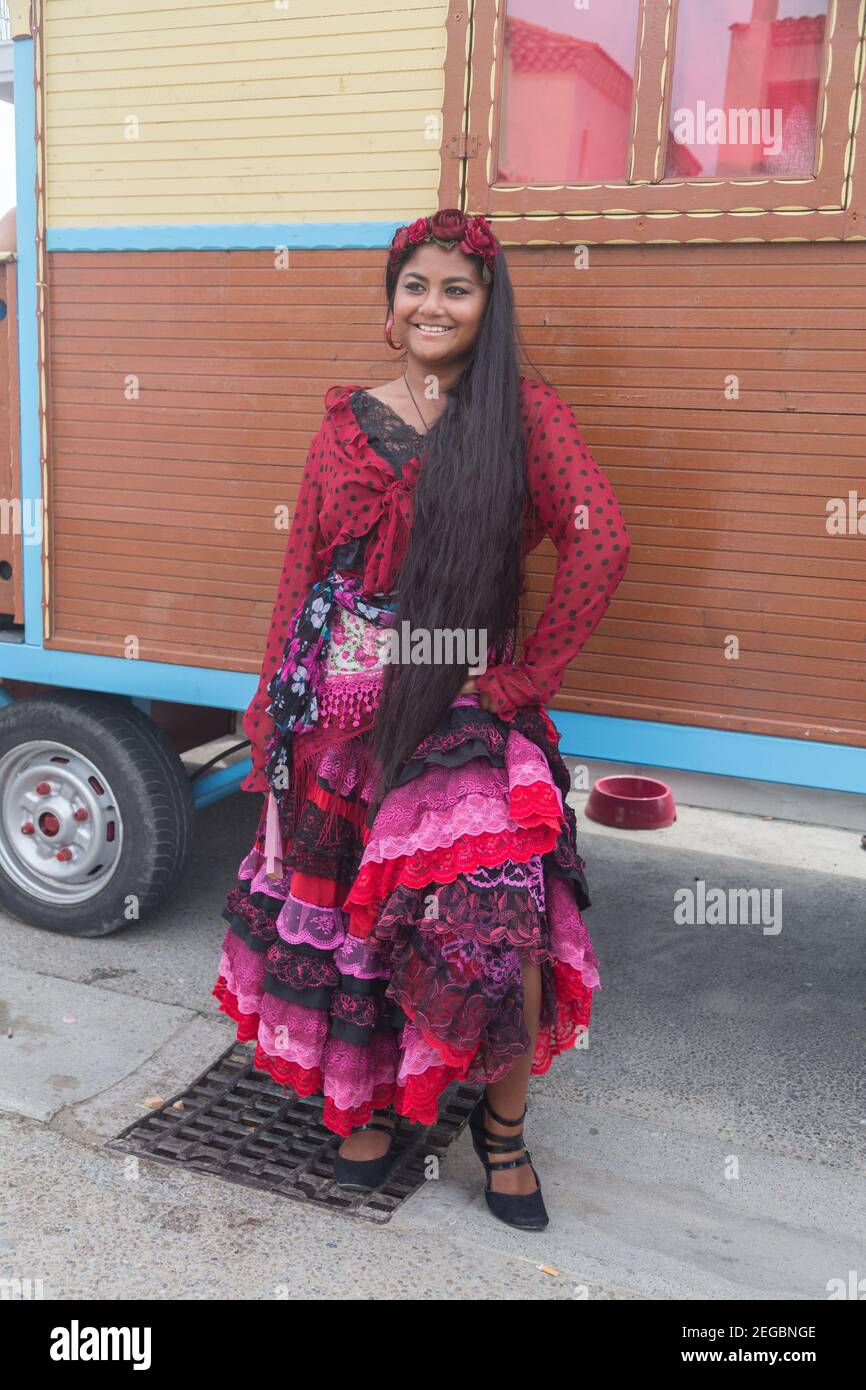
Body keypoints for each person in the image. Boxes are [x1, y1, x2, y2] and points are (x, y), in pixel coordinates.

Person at [213, 207, 631, 1231]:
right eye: (415, 286)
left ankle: (502, 1131)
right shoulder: (343, 423)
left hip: (458, 709)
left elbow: (601, 541)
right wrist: (272, 700)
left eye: (457, 287)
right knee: (354, 926)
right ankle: (362, 1106)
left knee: (500, 934)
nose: (432, 303)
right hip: (340, 720)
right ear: (389, 306)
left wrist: (519, 679)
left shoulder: (525, 417)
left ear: (486, 306)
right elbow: (301, 571)